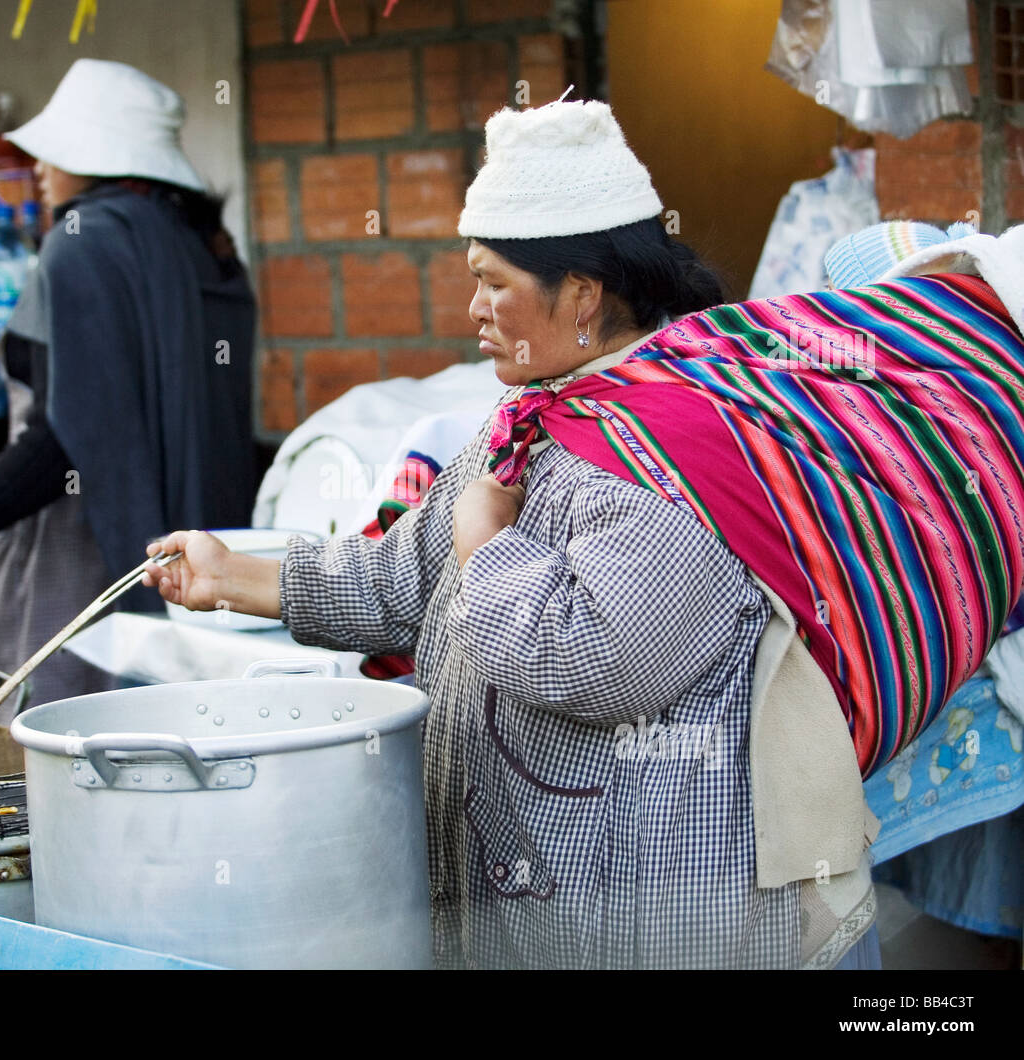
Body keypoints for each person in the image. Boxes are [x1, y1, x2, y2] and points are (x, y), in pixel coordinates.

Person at [142, 98, 879, 968]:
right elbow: (398, 579)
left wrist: (488, 548)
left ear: (581, 293)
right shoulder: (540, 419)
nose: (474, 307)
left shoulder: (679, 449)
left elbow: (595, 659)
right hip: (540, 902)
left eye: (494, 281)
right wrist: (231, 577)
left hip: (651, 912)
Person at [0, 60, 258, 715]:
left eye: (55, 153)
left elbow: (62, 444)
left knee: (55, 751)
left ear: (99, 157)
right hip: (201, 553)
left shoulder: (81, 245)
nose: (40, 170)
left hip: (78, 559)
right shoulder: (207, 247)